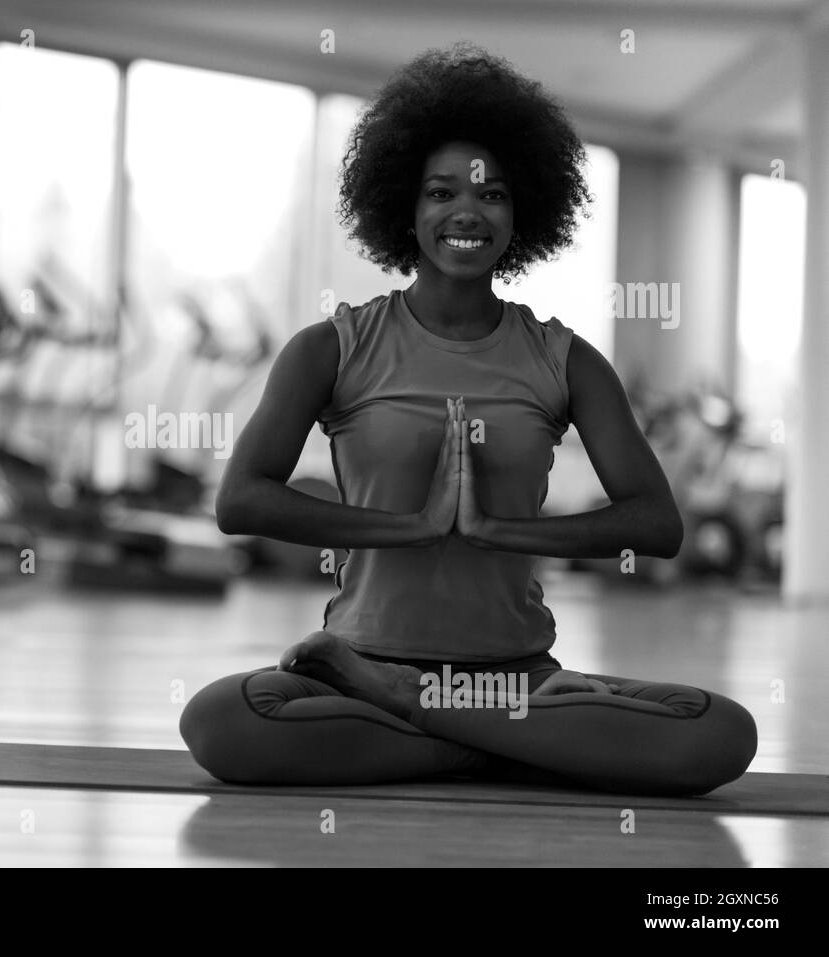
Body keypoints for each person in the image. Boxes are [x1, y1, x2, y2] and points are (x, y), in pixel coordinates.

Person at [179, 44, 757, 796]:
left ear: (521, 213)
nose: (466, 212)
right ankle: (521, 750)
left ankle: (422, 720)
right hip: (363, 660)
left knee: (720, 735)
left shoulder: (565, 359)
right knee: (224, 720)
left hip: (512, 679)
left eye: (491, 195)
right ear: (406, 209)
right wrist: (411, 525)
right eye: (440, 192)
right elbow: (240, 501)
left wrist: (505, 530)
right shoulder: (332, 347)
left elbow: (657, 524)